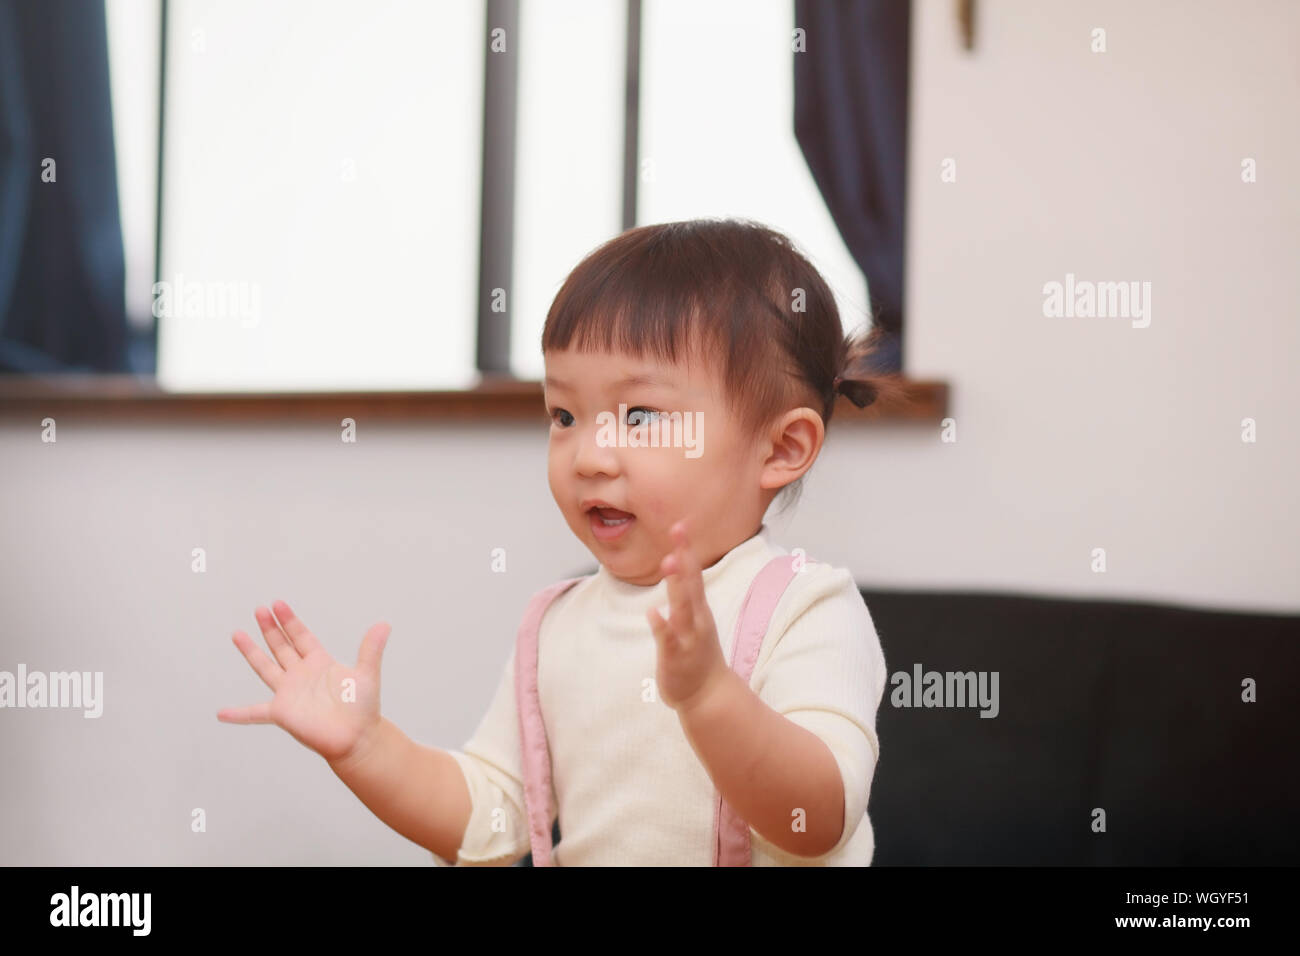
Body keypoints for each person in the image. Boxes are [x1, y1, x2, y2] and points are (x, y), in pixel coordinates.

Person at [218, 217, 901, 865]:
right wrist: (367, 748)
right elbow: (494, 820)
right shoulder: (555, 624)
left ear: (782, 448)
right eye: (565, 414)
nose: (590, 456)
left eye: (639, 416)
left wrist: (709, 697)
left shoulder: (807, 608)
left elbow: (817, 818)